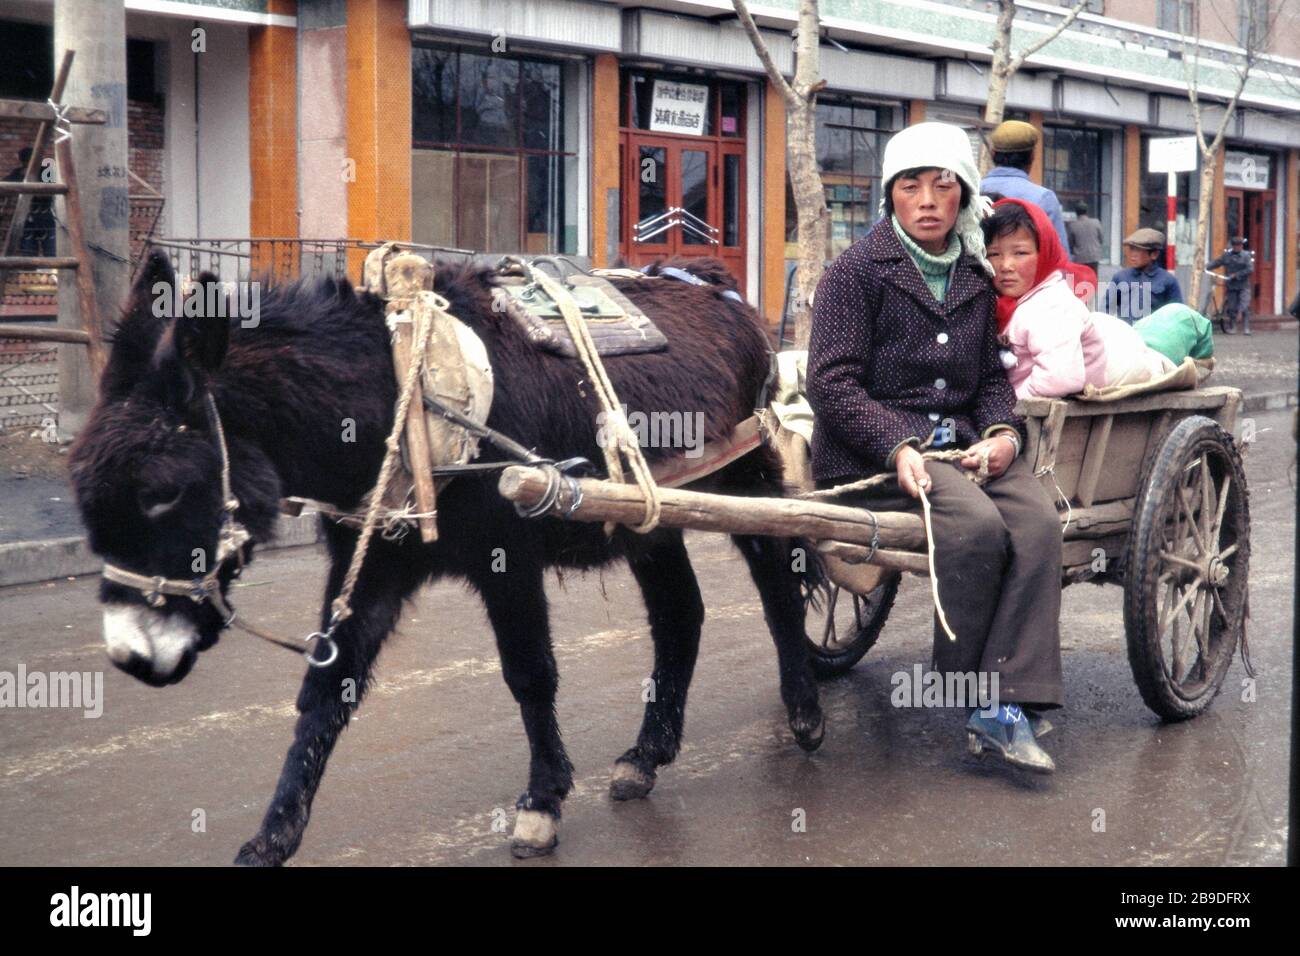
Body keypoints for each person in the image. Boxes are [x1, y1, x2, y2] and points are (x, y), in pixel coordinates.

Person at [808, 121, 1064, 774]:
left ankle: (1009, 697)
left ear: (963, 195)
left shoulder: (975, 278)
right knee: (978, 526)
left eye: (942, 185)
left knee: (1037, 524)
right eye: (911, 185)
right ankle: (979, 695)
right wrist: (898, 444)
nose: (927, 200)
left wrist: (1005, 435)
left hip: (963, 448)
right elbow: (831, 383)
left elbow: (988, 383)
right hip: (876, 454)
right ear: (890, 196)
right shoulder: (856, 272)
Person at [984, 199, 1176, 399]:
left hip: (1123, 364)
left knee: (1171, 336)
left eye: (1020, 253)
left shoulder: (1050, 307)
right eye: (994, 254)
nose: (1006, 265)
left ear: (1045, 253)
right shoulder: (1004, 302)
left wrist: (1003, 403)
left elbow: (1058, 379)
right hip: (1106, 340)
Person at [979, 120, 1071, 255]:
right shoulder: (1043, 198)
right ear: (1032, 156)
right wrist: (1071, 277)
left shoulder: (971, 190)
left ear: (992, 154)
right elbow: (1061, 257)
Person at [1105, 227, 1183, 322]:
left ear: (1154, 254)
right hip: (1126, 333)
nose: (1133, 255)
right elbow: (1106, 309)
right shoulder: (1120, 277)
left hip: (1154, 334)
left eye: (1138, 250)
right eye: (1131, 249)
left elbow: (1177, 314)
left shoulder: (1168, 280)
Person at [2, 147, 55, 257]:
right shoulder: (18, 173)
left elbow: (48, 194)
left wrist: (30, 185)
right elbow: (5, 185)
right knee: (28, 253)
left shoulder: (46, 171)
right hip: (27, 221)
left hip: (46, 219)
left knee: (51, 253)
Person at [1207, 237, 1254, 335]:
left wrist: (1237, 275)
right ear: (1233, 246)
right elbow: (1217, 262)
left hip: (1243, 285)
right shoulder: (1227, 255)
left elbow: (1250, 269)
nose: (1238, 247)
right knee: (1232, 307)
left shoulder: (1246, 256)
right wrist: (1206, 266)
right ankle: (1233, 327)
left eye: (1240, 245)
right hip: (1231, 285)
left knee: (1244, 305)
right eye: (1236, 246)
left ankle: (1246, 328)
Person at [1066, 201, 1103, 276]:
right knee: (1093, 278)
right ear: (1087, 211)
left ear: (1076, 213)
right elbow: (1101, 239)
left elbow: (1070, 244)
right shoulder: (1096, 222)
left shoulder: (1072, 225)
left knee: (1081, 279)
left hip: (1080, 258)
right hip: (1094, 256)